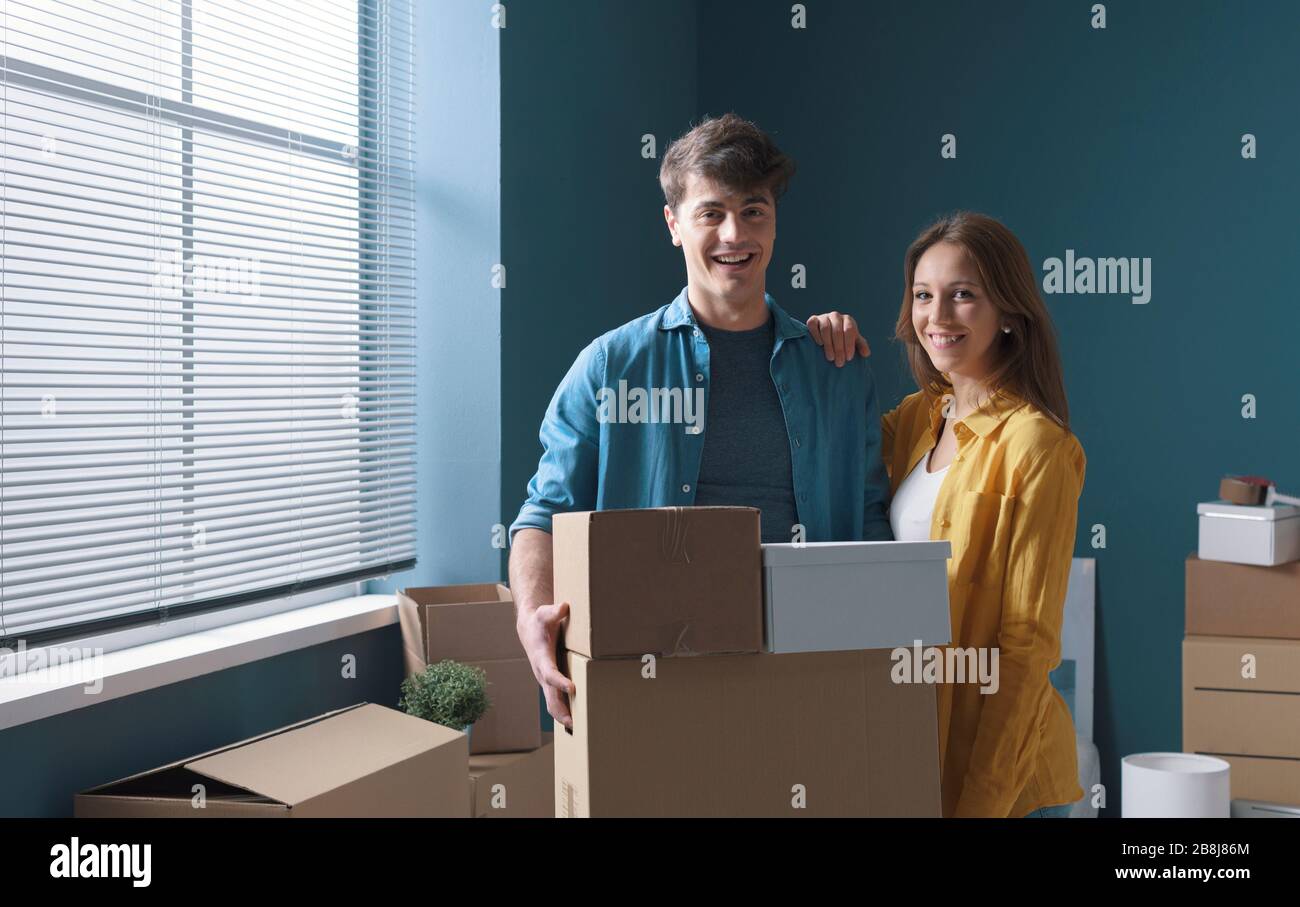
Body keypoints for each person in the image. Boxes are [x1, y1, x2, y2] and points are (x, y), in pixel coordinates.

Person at [509, 114, 891, 730]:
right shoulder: (610, 367)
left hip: (811, 677)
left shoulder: (836, 367)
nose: (734, 234)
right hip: (652, 678)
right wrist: (531, 615)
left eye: (754, 209)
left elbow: (871, 520)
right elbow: (543, 515)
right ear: (674, 224)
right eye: (711, 212)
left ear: (774, 221)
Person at [808, 212, 1085, 818]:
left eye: (964, 295)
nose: (937, 317)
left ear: (1009, 312)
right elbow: (819, 452)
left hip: (1006, 785)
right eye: (923, 296)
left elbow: (1026, 647)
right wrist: (822, 346)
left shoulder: (1038, 445)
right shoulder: (915, 420)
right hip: (919, 755)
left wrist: (980, 806)